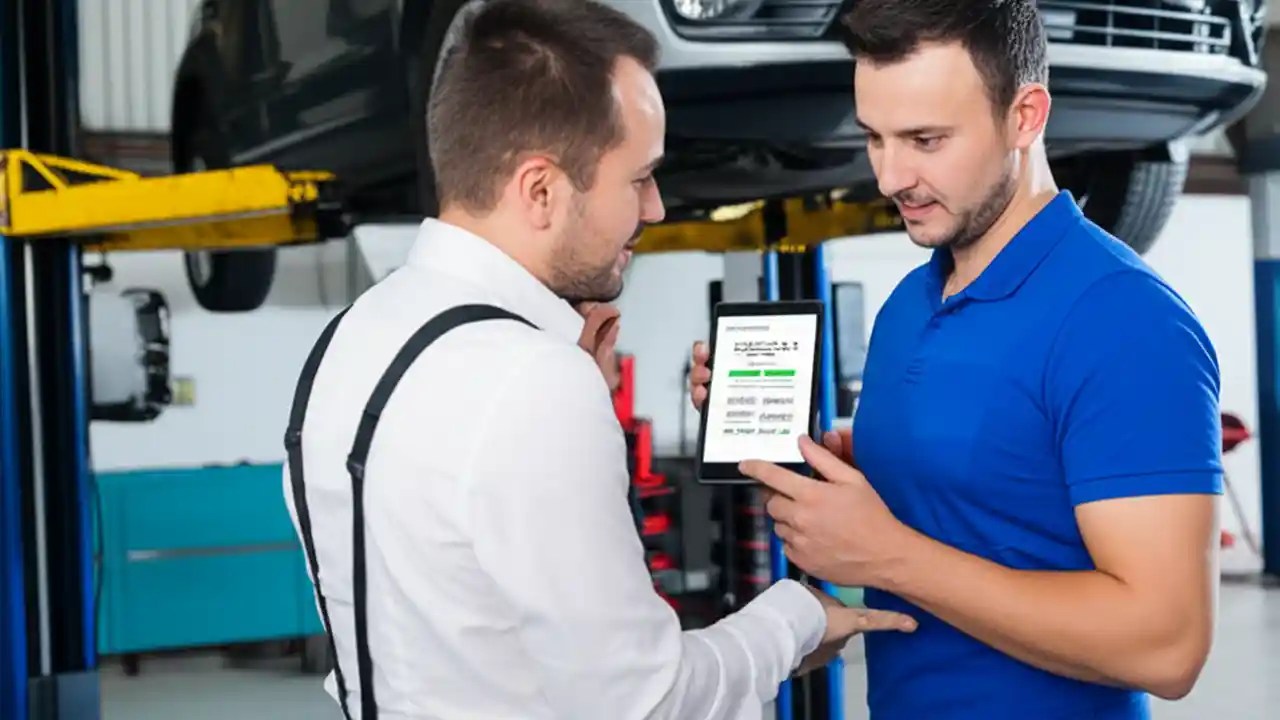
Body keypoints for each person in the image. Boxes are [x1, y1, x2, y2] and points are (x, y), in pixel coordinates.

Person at [282, 1, 915, 718]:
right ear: (541, 190)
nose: (655, 209)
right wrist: (795, 618)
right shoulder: (531, 384)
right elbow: (649, 703)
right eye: (639, 177)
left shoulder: (349, 342)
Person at [689, 1, 1222, 718]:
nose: (889, 177)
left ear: (1025, 117)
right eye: (874, 137)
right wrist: (800, 461)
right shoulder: (909, 306)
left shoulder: (1125, 320)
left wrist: (886, 554)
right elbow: (968, 504)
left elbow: (1168, 645)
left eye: (926, 139)